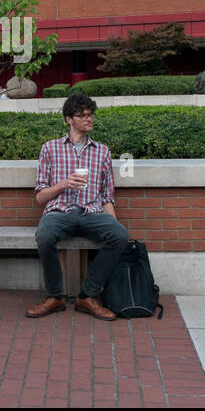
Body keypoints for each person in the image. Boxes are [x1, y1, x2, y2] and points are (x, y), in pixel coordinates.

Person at [26, 93, 128, 321]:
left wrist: (113, 222)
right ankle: (55, 297)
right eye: (82, 115)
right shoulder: (50, 148)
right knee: (44, 235)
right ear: (68, 120)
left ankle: (87, 296)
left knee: (120, 235)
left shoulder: (102, 151)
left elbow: (106, 196)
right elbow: (40, 197)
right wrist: (64, 184)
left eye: (90, 115)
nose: (88, 119)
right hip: (59, 210)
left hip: (91, 211)